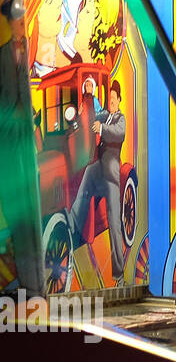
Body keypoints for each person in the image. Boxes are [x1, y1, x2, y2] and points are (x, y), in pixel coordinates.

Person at [71, 79, 127, 284]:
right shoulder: (105, 114)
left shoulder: (120, 119)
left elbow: (118, 133)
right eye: (109, 98)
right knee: (86, 177)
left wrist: (102, 129)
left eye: (114, 98)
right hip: (97, 170)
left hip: (111, 176)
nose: (111, 101)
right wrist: (87, 94)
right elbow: (91, 116)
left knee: (114, 224)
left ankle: (118, 274)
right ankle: (74, 222)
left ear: (119, 101)